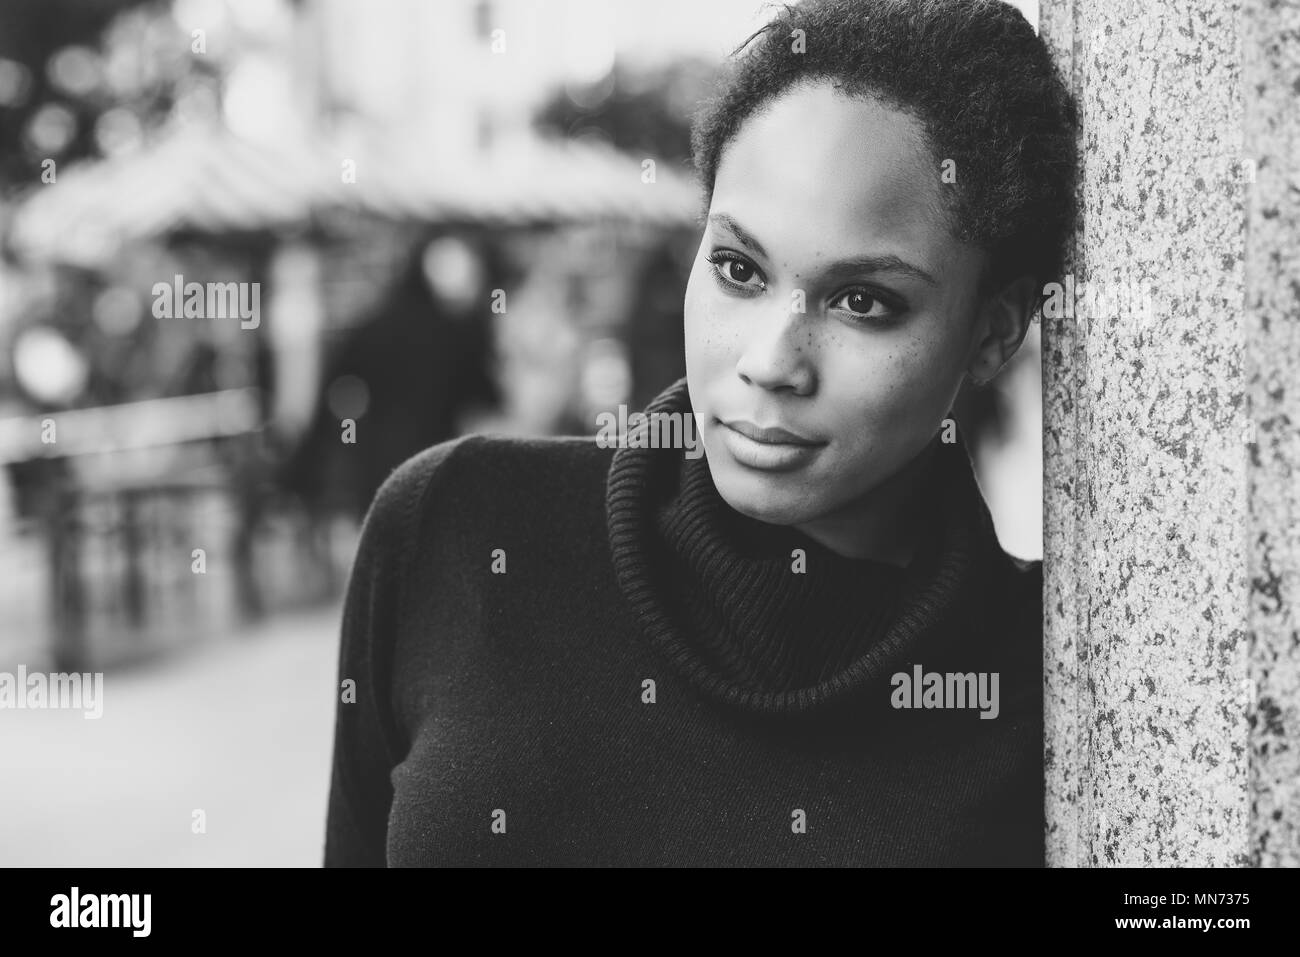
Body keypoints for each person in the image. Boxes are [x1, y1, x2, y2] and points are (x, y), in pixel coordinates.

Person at [324, 0, 1077, 867]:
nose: (770, 362)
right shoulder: (455, 528)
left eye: (862, 301)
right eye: (738, 269)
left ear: (994, 333)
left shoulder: (1041, 688)